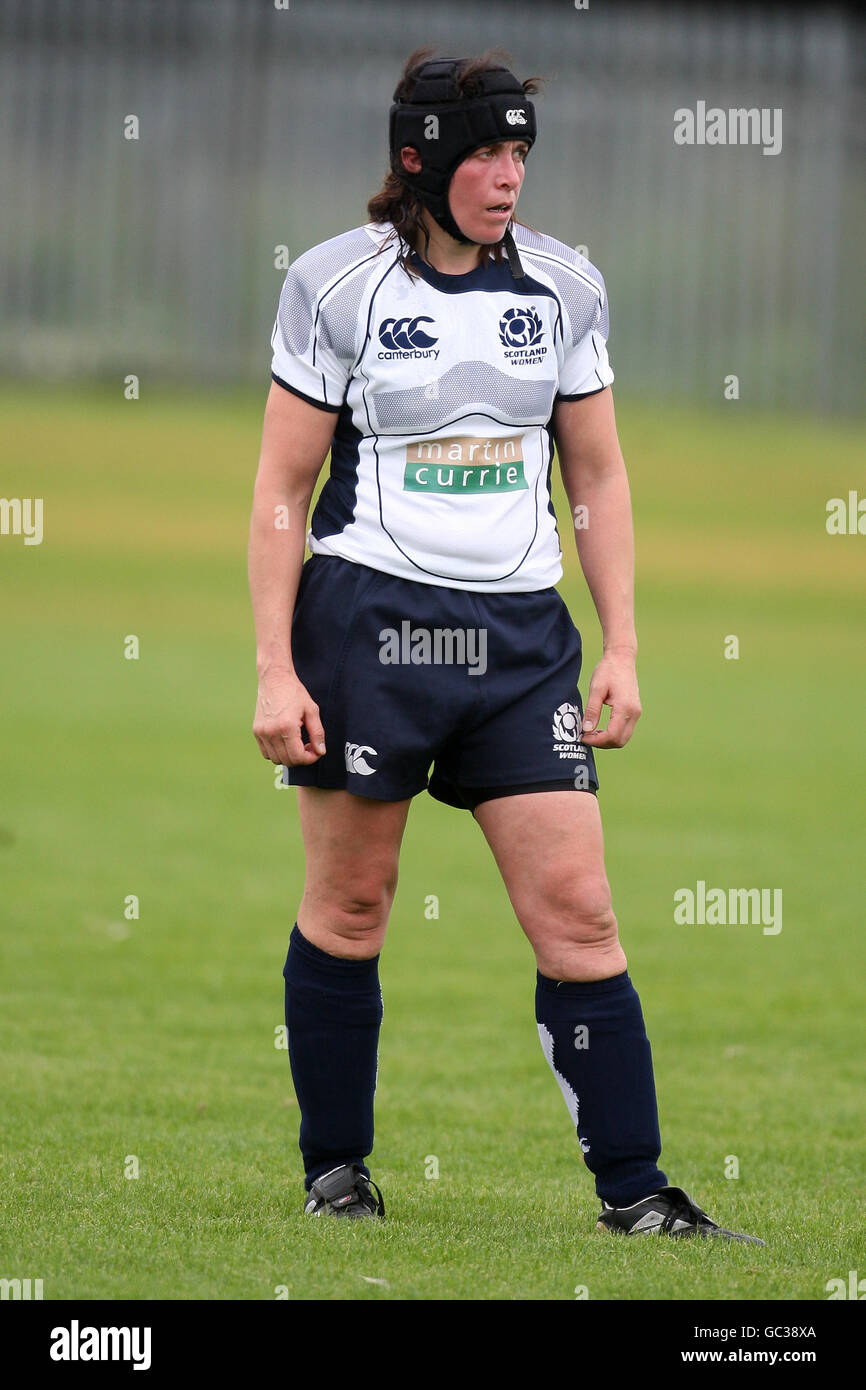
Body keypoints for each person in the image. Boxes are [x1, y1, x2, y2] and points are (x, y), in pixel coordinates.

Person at [248, 47, 762, 1244]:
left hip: (521, 639)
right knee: (353, 903)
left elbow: (596, 474)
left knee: (579, 914)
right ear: (419, 158)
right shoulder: (335, 285)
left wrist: (621, 644)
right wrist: (275, 665)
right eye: (483, 150)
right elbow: (279, 488)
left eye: (520, 152)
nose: (506, 175)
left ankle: (633, 1194)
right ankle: (337, 1172)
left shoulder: (567, 288)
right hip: (366, 623)